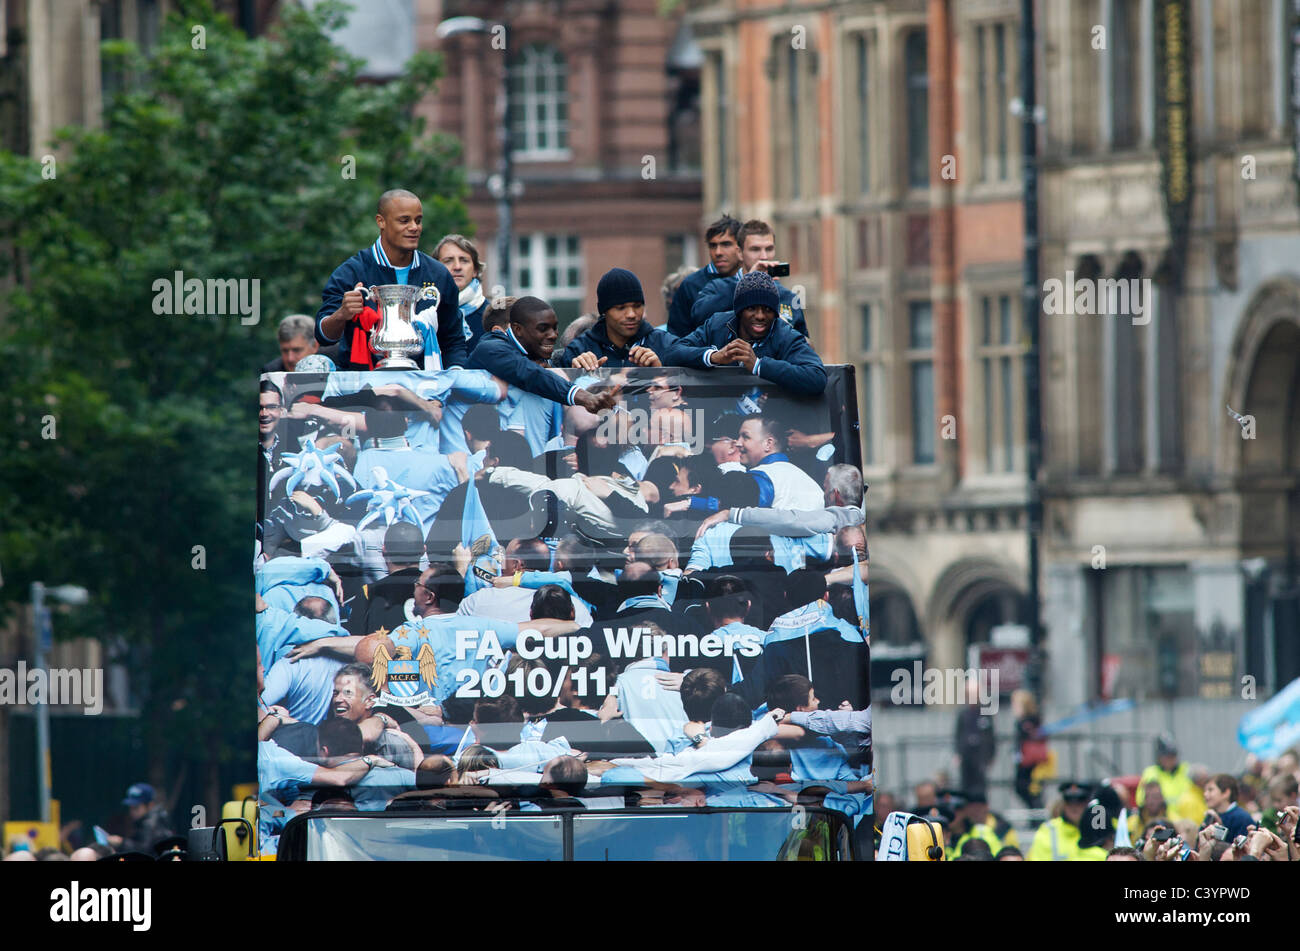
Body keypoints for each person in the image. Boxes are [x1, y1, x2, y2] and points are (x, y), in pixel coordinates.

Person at [315, 189, 466, 371]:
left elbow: (453, 340)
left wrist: (453, 382)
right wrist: (341, 314)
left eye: (418, 221)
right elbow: (323, 335)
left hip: (425, 390)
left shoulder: (438, 274)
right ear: (381, 222)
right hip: (365, 389)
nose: (414, 227)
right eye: (404, 221)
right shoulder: (352, 272)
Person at [666, 271, 826, 396]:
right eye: (752, 308)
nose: (760, 316)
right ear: (740, 311)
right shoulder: (718, 324)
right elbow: (673, 352)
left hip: (769, 423)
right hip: (718, 415)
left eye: (768, 309)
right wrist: (714, 357)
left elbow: (817, 377)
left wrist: (758, 365)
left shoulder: (785, 335)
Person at [467, 295, 619, 415]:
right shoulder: (489, 348)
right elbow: (529, 373)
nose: (553, 335)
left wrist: (577, 372)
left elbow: (548, 377)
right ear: (514, 328)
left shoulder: (539, 359)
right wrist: (584, 397)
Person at [686, 219, 808, 337]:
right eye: (755, 249)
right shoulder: (718, 288)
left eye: (769, 249)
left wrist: (785, 329)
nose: (764, 256)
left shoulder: (788, 297)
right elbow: (698, 316)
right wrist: (746, 283)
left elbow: (805, 347)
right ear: (739, 253)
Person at [554, 268, 677, 369]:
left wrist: (661, 372)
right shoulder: (579, 349)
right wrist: (577, 375)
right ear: (603, 311)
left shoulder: (664, 343)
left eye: (637, 306)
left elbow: (694, 359)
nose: (631, 314)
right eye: (621, 308)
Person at [666, 214, 743, 336]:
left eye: (726, 244)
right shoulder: (691, 284)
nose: (718, 252)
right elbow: (676, 338)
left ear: (740, 247)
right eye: (713, 246)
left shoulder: (755, 280)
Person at [434, 233, 491, 354]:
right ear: (435, 269)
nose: (457, 267)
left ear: (475, 270)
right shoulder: (426, 312)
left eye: (464, 260)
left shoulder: (493, 316)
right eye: (448, 261)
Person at [1026, 780, 1107, 861]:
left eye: (1080, 801)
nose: (1074, 807)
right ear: (1063, 804)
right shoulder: (1048, 831)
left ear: (1088, 803)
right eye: (1069, 802)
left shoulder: (1102, 828)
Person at [1136, 734, 1198, 823]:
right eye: (1166, 756)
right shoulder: (1151, 773)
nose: (1170, 759)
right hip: (1162, 818)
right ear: (1159, 757)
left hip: (1186, 819)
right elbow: (1141, 799)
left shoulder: (1186, 770)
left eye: (1173, 755)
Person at [954, 676, 995, 799]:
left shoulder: (985, 712)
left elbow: (990, 735)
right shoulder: (963, 714)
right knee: (965, 786)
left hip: (980, 756)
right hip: (966, 755)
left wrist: (991, 755)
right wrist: (957, 753)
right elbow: (958, 734)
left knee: (980, 786)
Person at [107, 783, 174, 854]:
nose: (132, 812)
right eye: (130, 807)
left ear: (150, 805)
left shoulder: (154, 822)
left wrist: (121, 843)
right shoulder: (143, 821)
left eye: (136, 808)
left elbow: (146, 851)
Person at [264, 313, 331, 372]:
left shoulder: (335, 361)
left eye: (296, 350)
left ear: (314, 346)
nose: (290, 358)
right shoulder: (272, 373)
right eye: (285, 351)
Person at [1204, 773, 1253, 840]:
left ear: (1226, 793)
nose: (1205, 794)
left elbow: (1240, 848)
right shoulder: (1211, 817)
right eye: (1205, 790)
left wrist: (1220, 827)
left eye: (1210, 790)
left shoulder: (1242, 818)